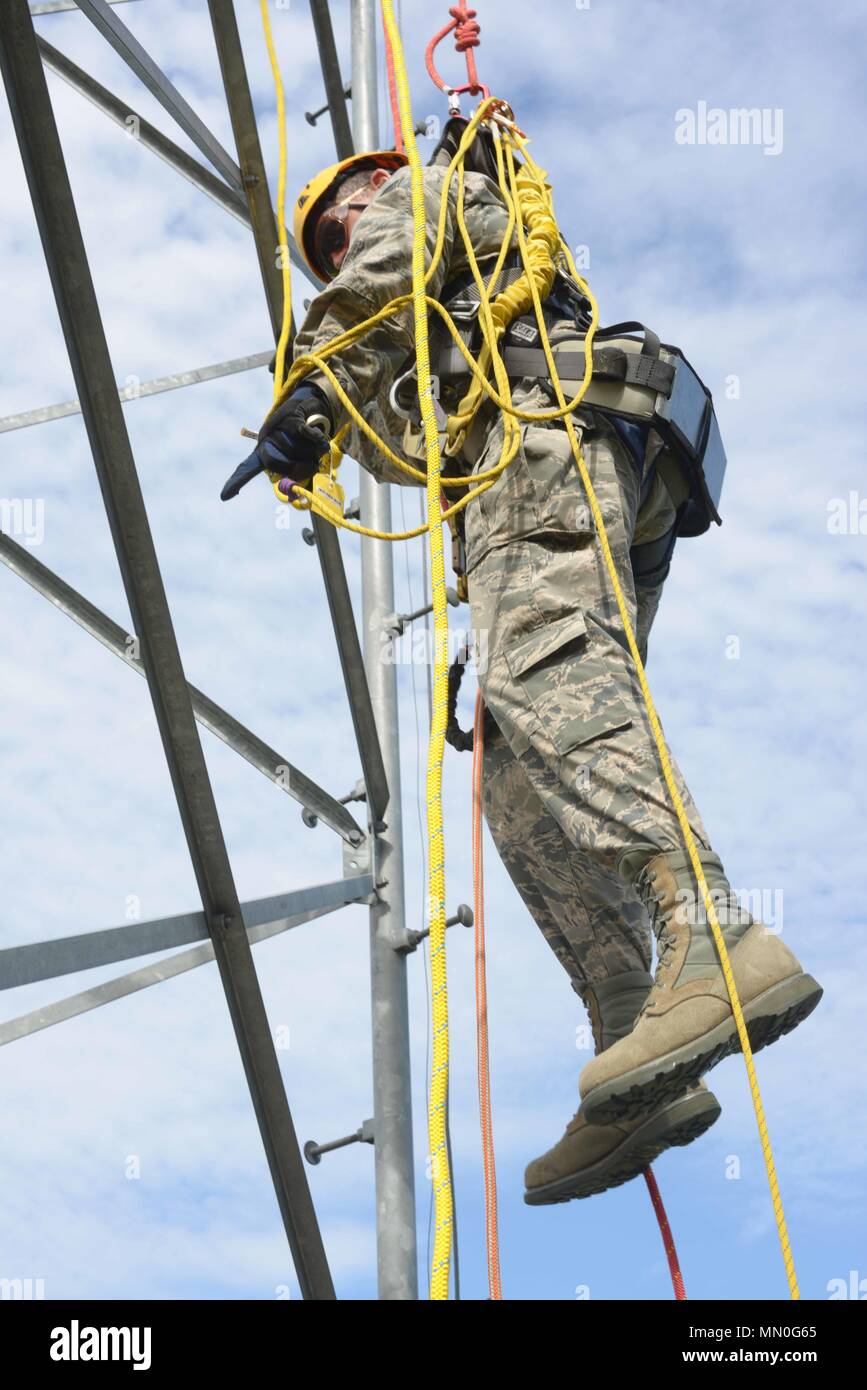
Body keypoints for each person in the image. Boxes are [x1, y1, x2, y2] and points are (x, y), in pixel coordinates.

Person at [221, 129, 822, 1204]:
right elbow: (391, 412)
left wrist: (306, 396)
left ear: (376, 180)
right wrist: (333, 410)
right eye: (323, 241)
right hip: (581, 463)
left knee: (545, 665)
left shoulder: (425, 197)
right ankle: (639, 1041)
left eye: (338, 220)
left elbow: (374, 290)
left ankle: (712, 932)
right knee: (515, 769)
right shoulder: (445, 295)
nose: (340, 240)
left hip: (544, 439)